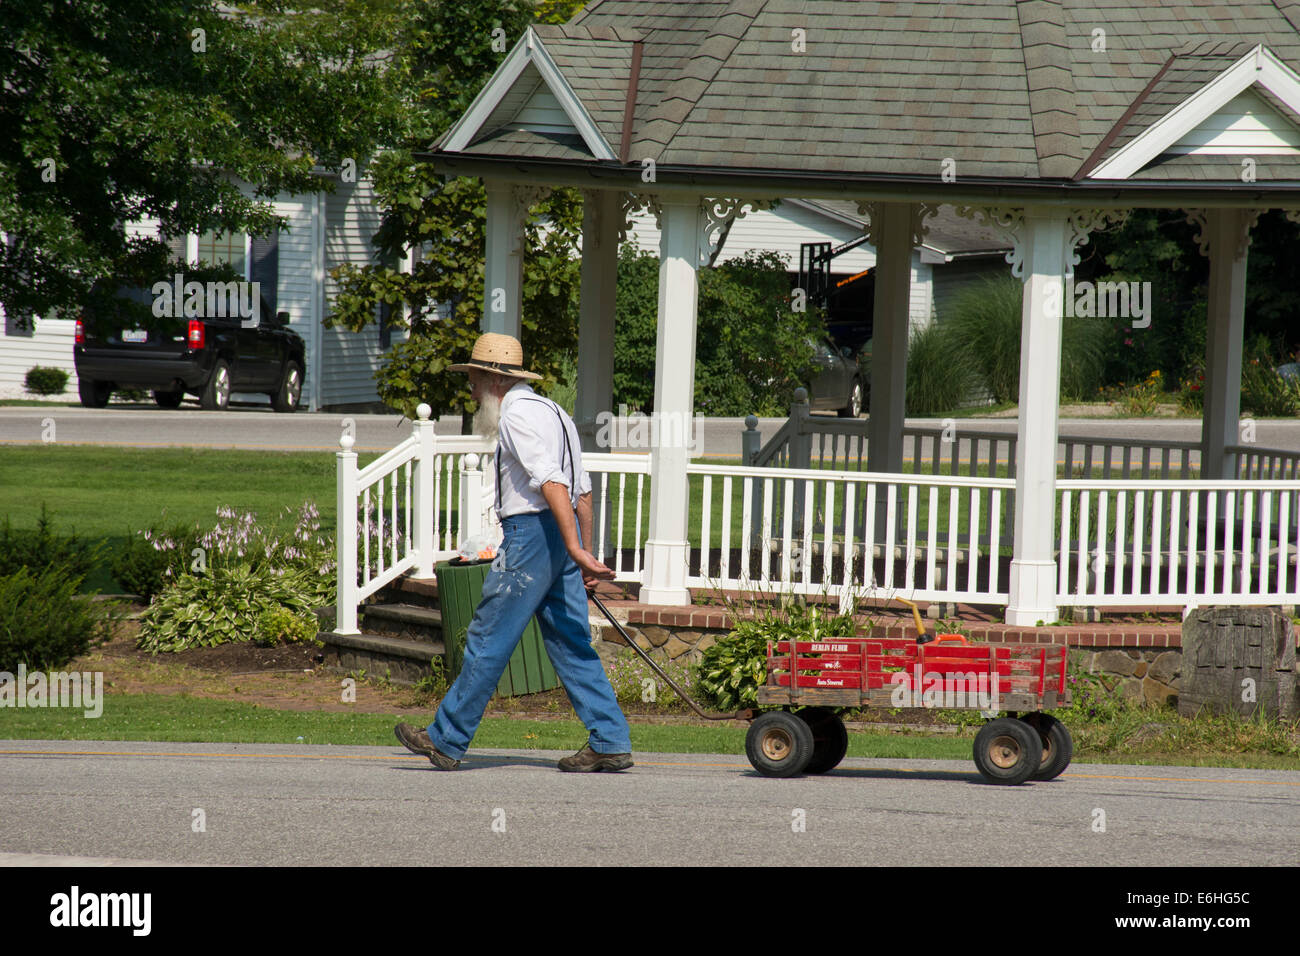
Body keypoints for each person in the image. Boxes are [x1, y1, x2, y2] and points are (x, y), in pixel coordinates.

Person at [395, 332, 634, 772]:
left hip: (530, 539)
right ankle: (611, 740)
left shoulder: (515, 417)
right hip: (559, 541)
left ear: (492, 380)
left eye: (473, 379)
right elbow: (583, 491)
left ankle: (446, 739)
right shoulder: (556, 413)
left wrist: (575, 552)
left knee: (488, 637)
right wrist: (581, 551)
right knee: (571, 642)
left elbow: (552, 483)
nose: (471, 389)